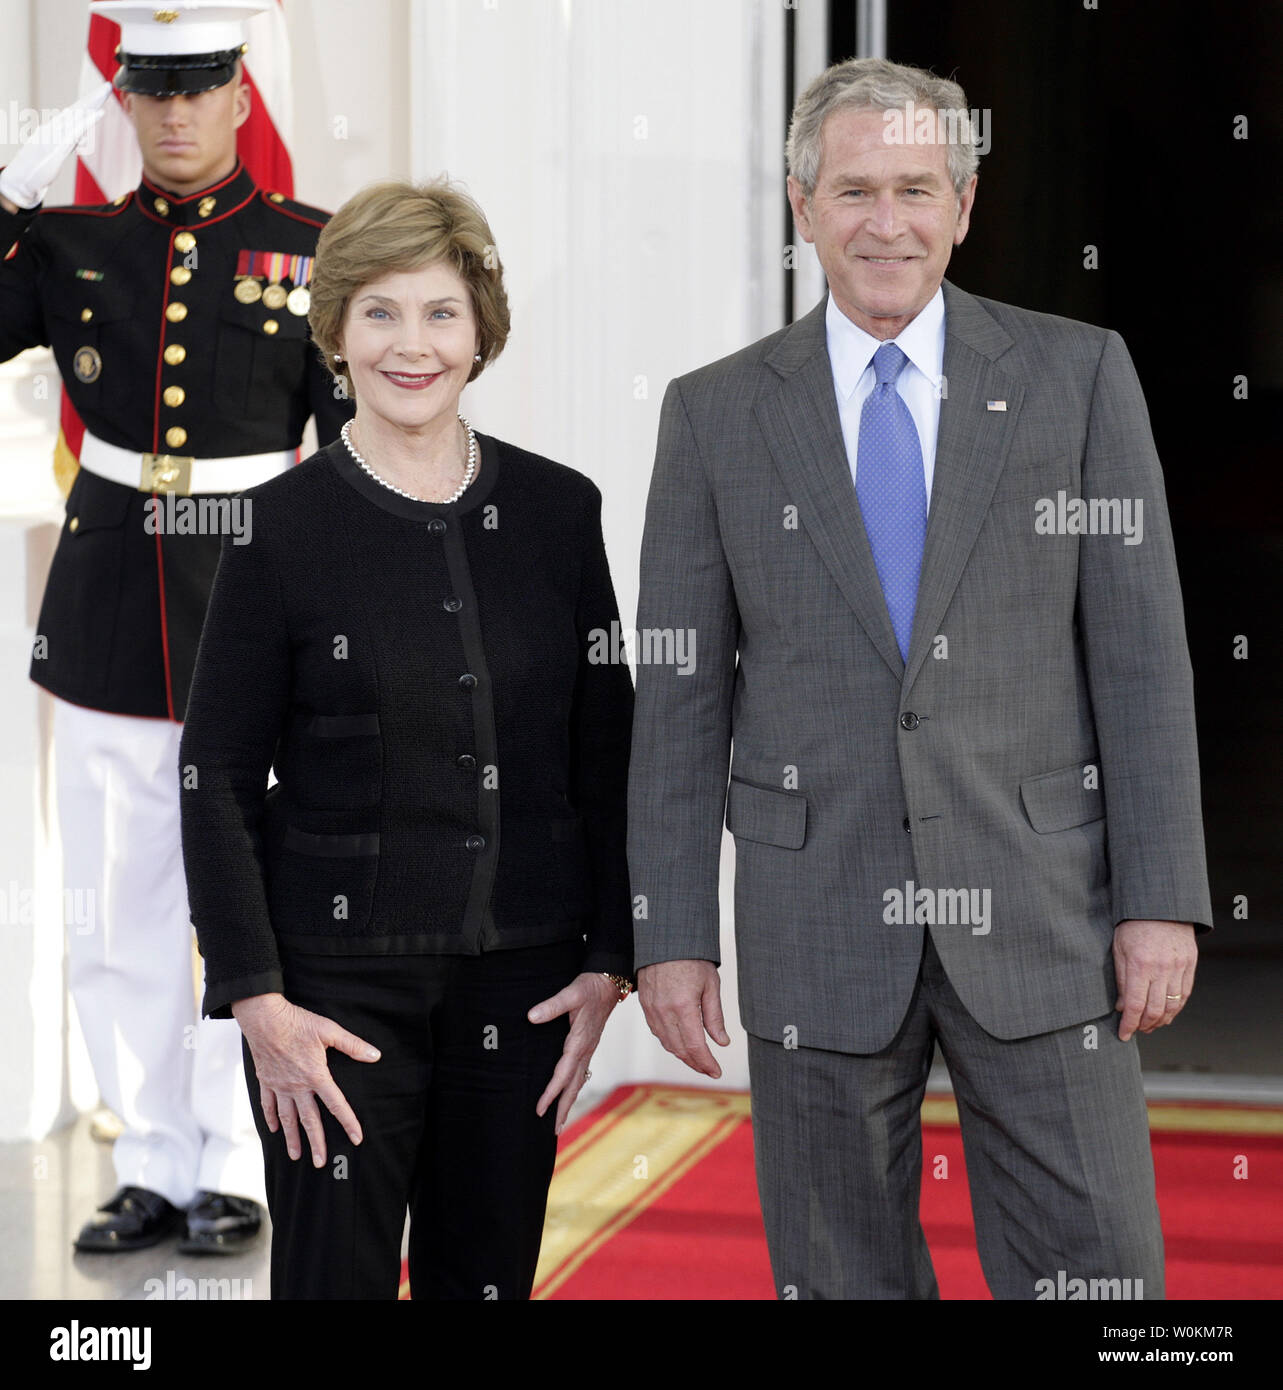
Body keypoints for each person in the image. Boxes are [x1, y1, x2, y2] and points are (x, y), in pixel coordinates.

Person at [628, 56, 1212, 1300]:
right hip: (812, 912)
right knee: (838, 1279)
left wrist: (1160, 896)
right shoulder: (714, 415)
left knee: (1100, 1276)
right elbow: (675, 703)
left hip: (1044, 913)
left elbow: (1143, 662)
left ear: (962, 200)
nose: (883, 222)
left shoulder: (1079, 377)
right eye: (851, 191)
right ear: (799, 206)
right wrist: (669, 935)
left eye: (912, 188)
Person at [178, 177, 636, 1300]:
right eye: (378, 312)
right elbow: (216, 773)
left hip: (521, 985)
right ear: (333, 330)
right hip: (329, 1000)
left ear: (480, 329)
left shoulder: (557, 511)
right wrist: (255, 998)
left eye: (439, 311)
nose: (411, 344)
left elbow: (606, 748)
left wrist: (608, 959)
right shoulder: (275, 529)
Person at [0, 0, 352, 1253]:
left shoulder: (311, 248)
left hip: (258, 604)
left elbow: (352, 450)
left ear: (241, 97)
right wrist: (4, 203)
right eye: (154, 91)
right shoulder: (70, 244)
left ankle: (239, 1154)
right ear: (128, 101)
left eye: (201, 89)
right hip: (108, 609)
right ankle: (148, 1157)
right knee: (119, 900)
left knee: (248, 901)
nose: (178, 112)